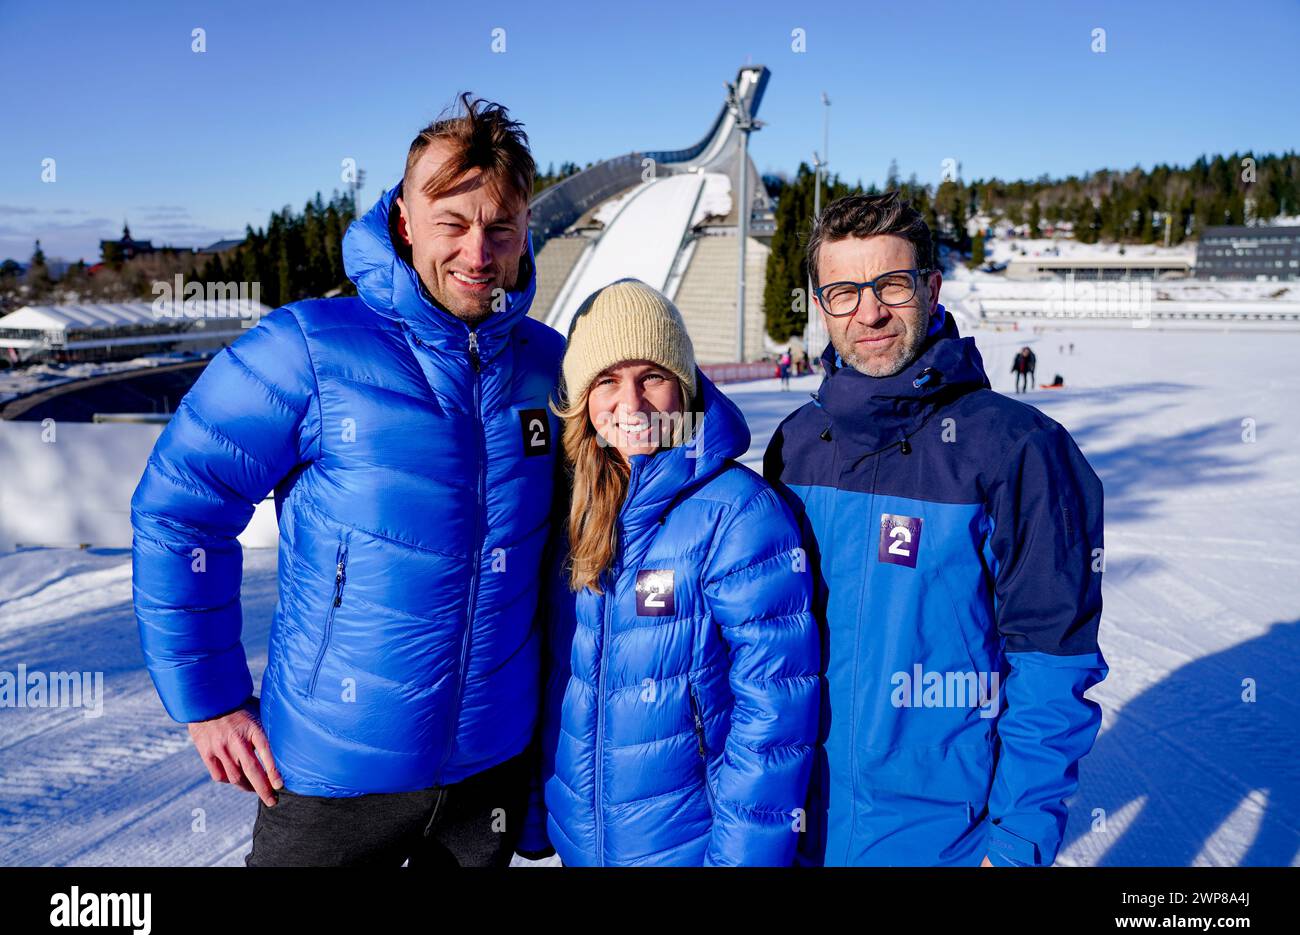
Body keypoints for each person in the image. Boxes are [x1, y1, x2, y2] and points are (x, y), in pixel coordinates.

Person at [130, 93, 566, 866]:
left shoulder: (549, 364)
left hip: (488, 772)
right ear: (404, 220)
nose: (478, 252)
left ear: (526, 228)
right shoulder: (307, 349)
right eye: (453, 224)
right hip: (334, 772)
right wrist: (211, 701)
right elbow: (180, 509)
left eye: (500, 228)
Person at [764, 191, 1107, 867]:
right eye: (842, 291)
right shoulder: (794, 445)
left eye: (891, 283)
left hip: (945, 846)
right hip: (794, 836)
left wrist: (1012, 850)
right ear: (822, 304)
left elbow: (1052, 665)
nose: (869, 310)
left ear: (931, 285)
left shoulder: (1021, 449)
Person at [520, 279, 820, 866]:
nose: (631, 405)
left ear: (683, 389)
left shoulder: (738, 512)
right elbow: (554, 677)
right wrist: (538, 814)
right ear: (582, 398)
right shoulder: (571, 505)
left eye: (651, 377)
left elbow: (774, 712)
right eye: (607, 381)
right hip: (583, 844)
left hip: (688, 846)